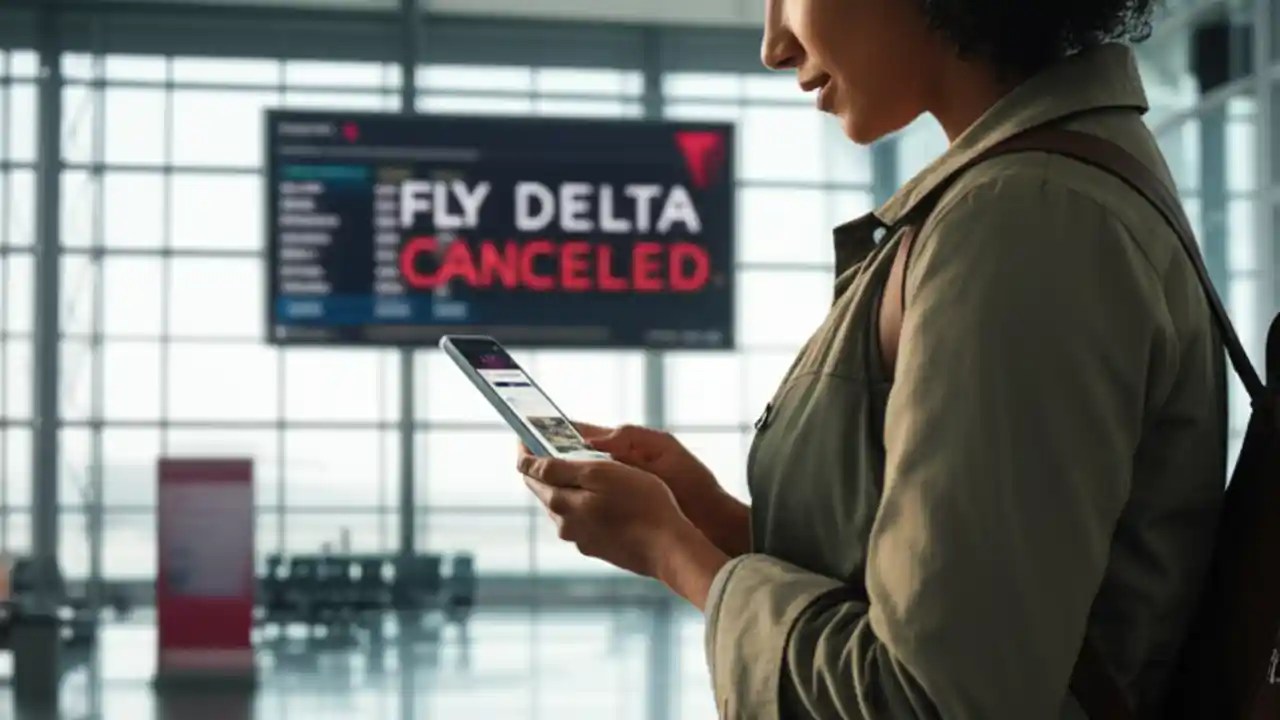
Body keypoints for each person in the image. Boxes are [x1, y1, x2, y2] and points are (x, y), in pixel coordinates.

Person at [517, 0, 1226, 716]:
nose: (773, 45)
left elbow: (926, 700)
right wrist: (715, 522)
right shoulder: (1045, 186)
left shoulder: (1023, 220)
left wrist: (672, 551)